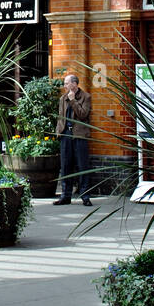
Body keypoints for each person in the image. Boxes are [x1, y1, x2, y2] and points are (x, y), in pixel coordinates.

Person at [55, 73, 93, 206]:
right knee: (65, 166)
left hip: (79, 135)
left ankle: (85, 196)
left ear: (74, 84)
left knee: (82, 166)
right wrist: (59, 132)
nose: (65, 86)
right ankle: (65, 196)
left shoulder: (86, 97)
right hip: (66, 134)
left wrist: (73, 100)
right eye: (65, 83)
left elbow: (83, 114)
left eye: (67, 83)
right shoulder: (63, 98)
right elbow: (60, 117)